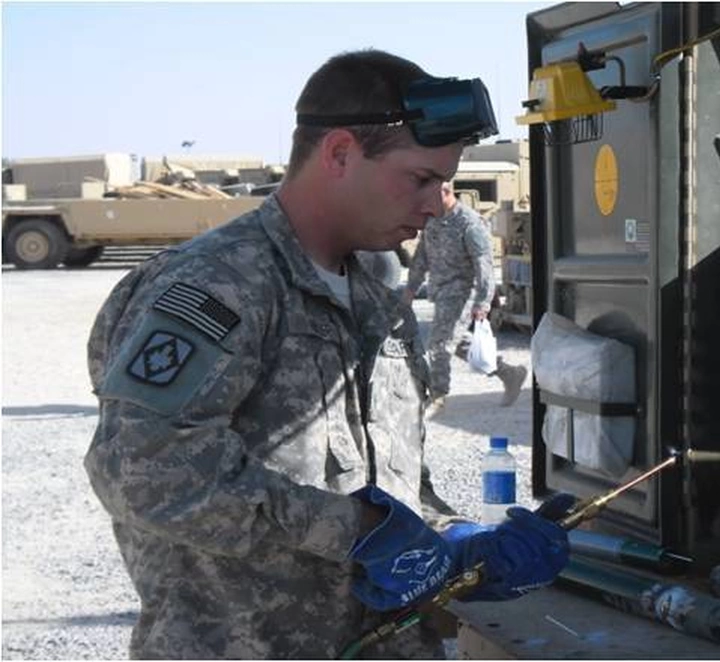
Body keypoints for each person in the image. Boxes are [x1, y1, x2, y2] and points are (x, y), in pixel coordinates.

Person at [83, 49, 569, 660]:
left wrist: (457, 545)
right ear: (339, 153)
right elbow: (142, 471)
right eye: (420, 179)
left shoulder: (379, 298)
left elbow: (391, 491)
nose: (434, 205)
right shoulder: (219, 285)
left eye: (443, 183)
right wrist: (358, 531)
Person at [403, 181, 528, 409]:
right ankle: (509, 373)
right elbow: (421, 257)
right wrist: (411, 288)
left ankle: (437, 395)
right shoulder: (433, 220)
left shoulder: (469, 223)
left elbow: (484, 265)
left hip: (462, 293)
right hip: (440, 291)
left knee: (439, 343)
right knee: (457, 342)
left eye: (431, 197)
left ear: (446, 192)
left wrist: (483, 301)